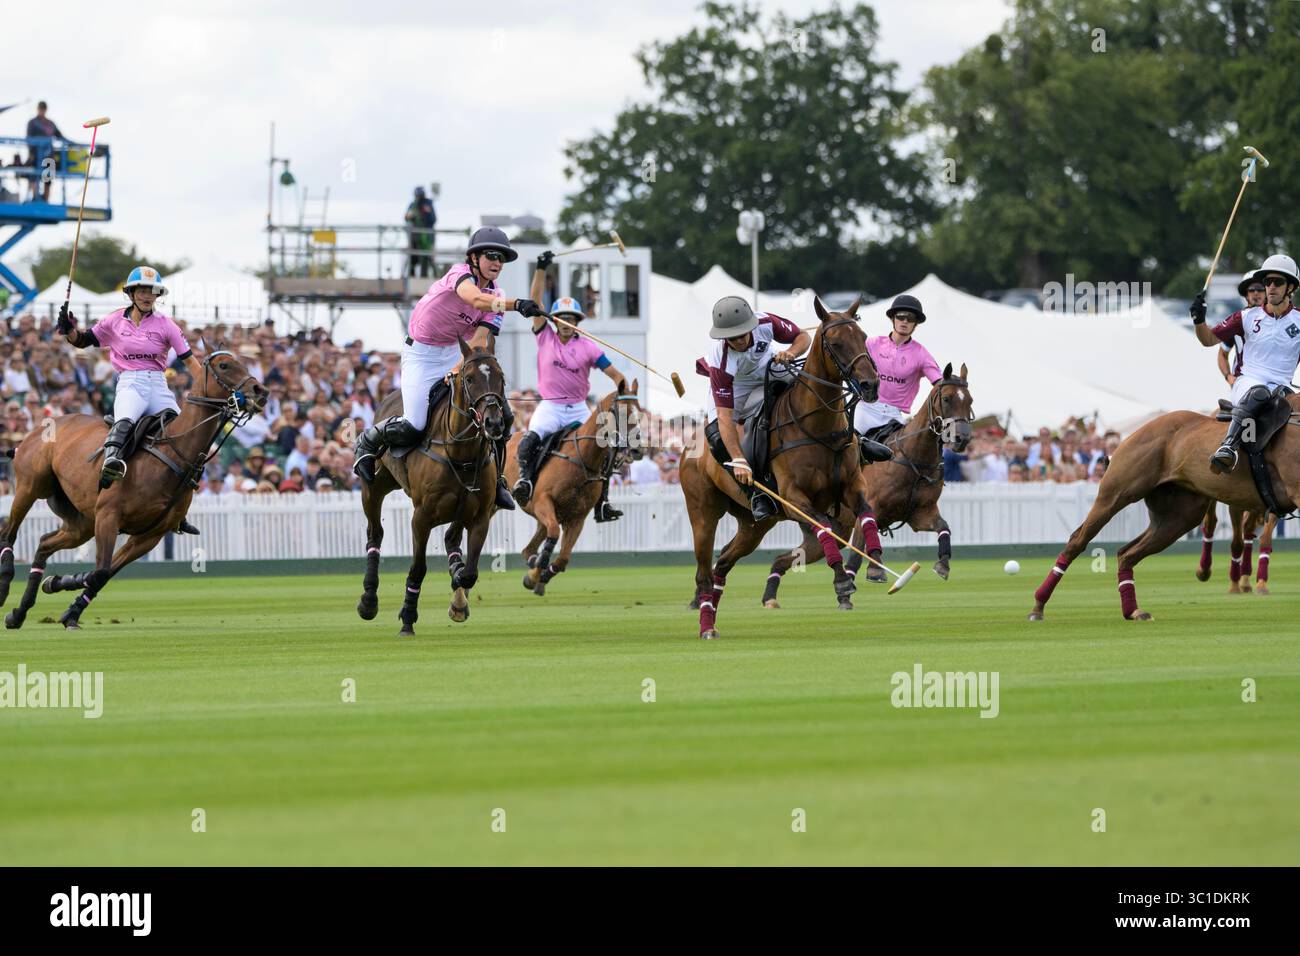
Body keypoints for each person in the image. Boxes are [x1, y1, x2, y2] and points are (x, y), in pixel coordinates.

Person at [353, 227, 541, 509]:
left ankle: (498, 480)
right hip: (422, 354)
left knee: (502, 415)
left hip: (457, 353)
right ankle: (367, 443)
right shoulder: (459, 273)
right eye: (491, 255)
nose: (497, 262)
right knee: (414, 422)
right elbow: (476, 299)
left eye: (501, 258)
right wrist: (517, 304)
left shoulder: (497, 296)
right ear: (474, 257)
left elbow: (478, 342)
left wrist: (458, 367)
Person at [59, 266, 203, 534]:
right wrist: (69, 329)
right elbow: (83, 341)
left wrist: (206, 387)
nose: (148, 295)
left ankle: (179, 510)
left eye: (153, 291)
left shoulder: (166, 324)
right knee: (124, 421)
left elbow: (190, 361)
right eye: (143, 290)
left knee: (184, 437)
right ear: (132, 293)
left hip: (159, 385)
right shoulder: (114, 321)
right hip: (130, 382)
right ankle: (111, 465)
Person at [512, 250, 627, 520]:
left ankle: (602, 502)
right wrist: (540, 269)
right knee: (529, 441)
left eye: (571, 319)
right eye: (561, 318)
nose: (566, 323)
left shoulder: (588, 347)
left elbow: (614, 373)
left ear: (577, 322)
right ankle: (526, 481)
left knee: (605, 446)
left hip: (577, 408)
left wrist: (622, 385)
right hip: (551, 406)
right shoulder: (545, 337)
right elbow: (535, 301)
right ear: (554, 320)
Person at [701, 295, 808, 520]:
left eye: (741, 334)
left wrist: (791, 353)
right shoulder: (721, 360)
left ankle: (852, 438)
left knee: (810, 386)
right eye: (731, 338)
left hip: (768, 366)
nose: (738, 341)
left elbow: (802, 336)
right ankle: (756, 495)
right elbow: (724, 416)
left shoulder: (766, 323)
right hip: (735, 384)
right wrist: (738, 458)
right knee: (715, 436)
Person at [1192, 254, 1300, 472]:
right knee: (1259, 392)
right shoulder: (1245, 317)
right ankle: (1228, 447)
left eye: (1277, 282)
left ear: (1290, 288)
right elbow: (1208, 340)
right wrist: (1199, 320)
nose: (1270, 287)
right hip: (1248, 384)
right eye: (1267, 282)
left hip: (1283, 389)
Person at [852, 294, 941, 460]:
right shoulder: (872, 344)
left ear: (916, 324)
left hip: (894, 416)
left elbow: (940, 385)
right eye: (901, 316)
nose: (905, 321)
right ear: (893, 318)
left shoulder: (922, 354)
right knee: (845, 446)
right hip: (865, 409)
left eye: (910, 318)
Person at [1216, 269, 1266, 388]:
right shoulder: (1236, 321)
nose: (1255, 293)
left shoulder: (1278, 319)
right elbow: (1222, 354)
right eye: (1251, 289)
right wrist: (1228, 376)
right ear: (1246, 294)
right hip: (1244, 385)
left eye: (1260, 289)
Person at [25, 101, 63, 201]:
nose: (42, 110)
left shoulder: (51, 124)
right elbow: (29, 139)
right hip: (35, 155)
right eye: (40, 108)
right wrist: (31, 153)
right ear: (38, 109)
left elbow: (60, 136)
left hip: (49, 155)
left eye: (43, 108)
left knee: (48, 178)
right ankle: (34, 196)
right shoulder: (32, 123)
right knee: (33, 175)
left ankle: (45, 199)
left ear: (46, 109)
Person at [405, 186, 437, 278]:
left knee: (426, 258)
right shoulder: (413, 205)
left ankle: (424, 276)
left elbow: (433, 219)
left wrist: (425, 212)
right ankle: (411, 276)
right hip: (415, 236)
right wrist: (410, 216)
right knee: (413, 257)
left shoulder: (428, 204)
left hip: (426, 238)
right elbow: (406, 217)